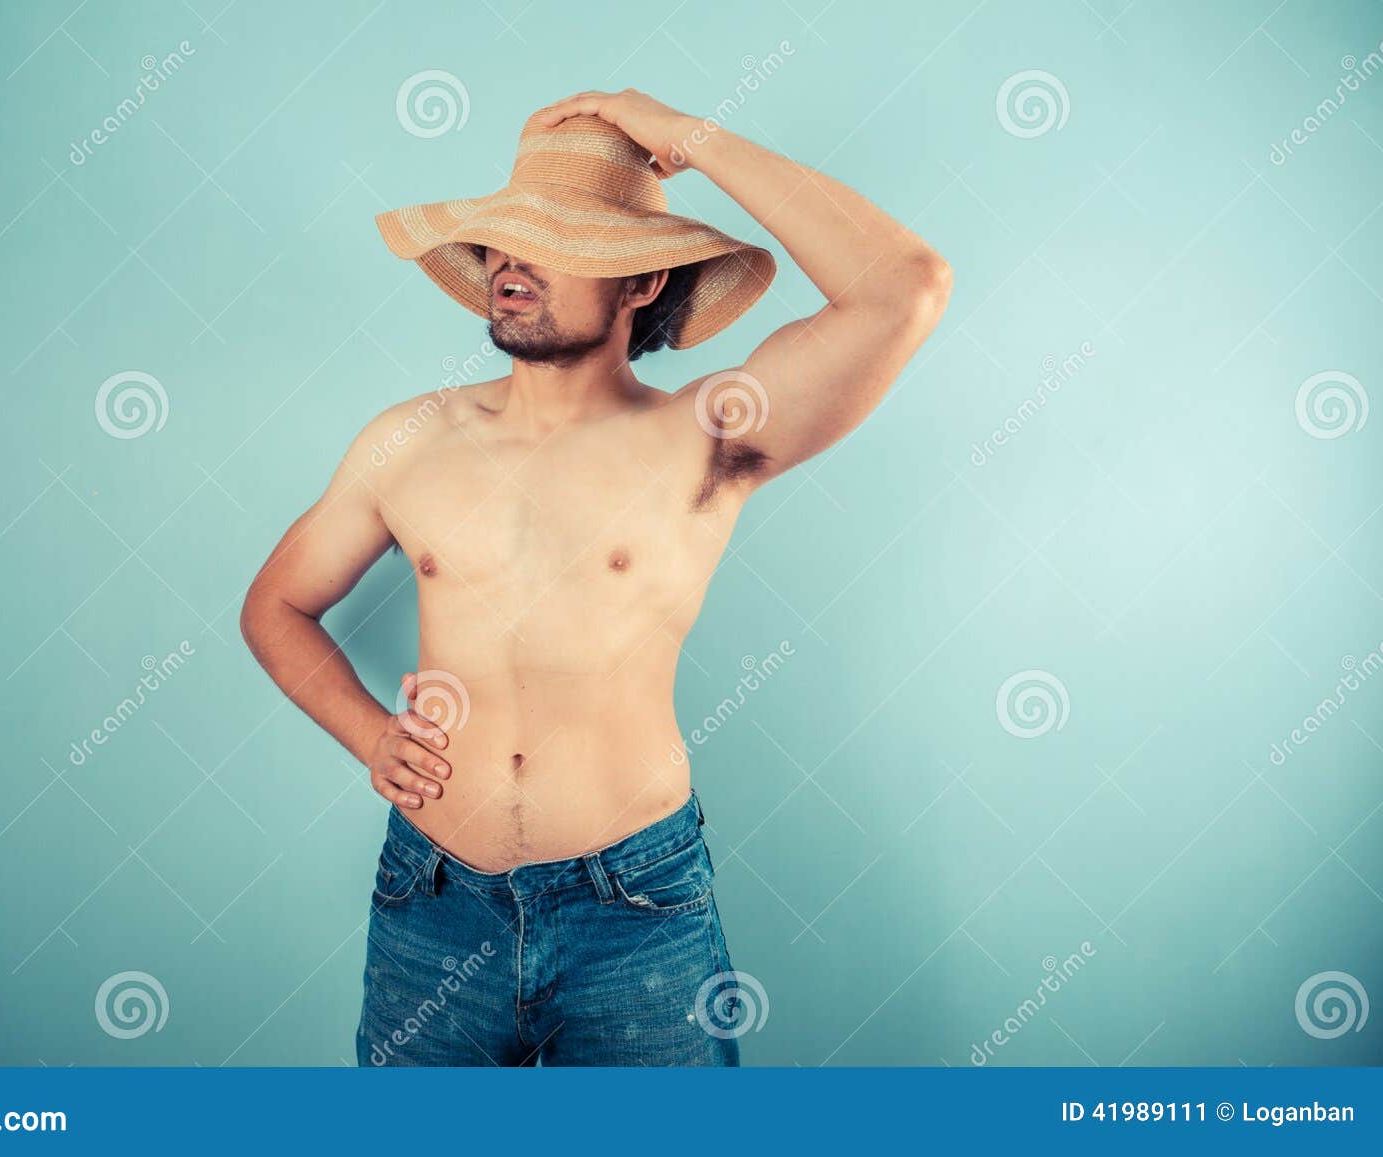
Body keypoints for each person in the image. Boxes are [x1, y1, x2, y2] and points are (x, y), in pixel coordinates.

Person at [240, 89, 951, 1065]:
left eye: (556, 241)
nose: (512, 266)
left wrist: (689, 139)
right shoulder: (407, 440)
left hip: (633, 907)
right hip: (431, 898)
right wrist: (368, 733)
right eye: (502, 241)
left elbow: (903, 287)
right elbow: (276, 602)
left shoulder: (706, 437)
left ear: (643, 279)